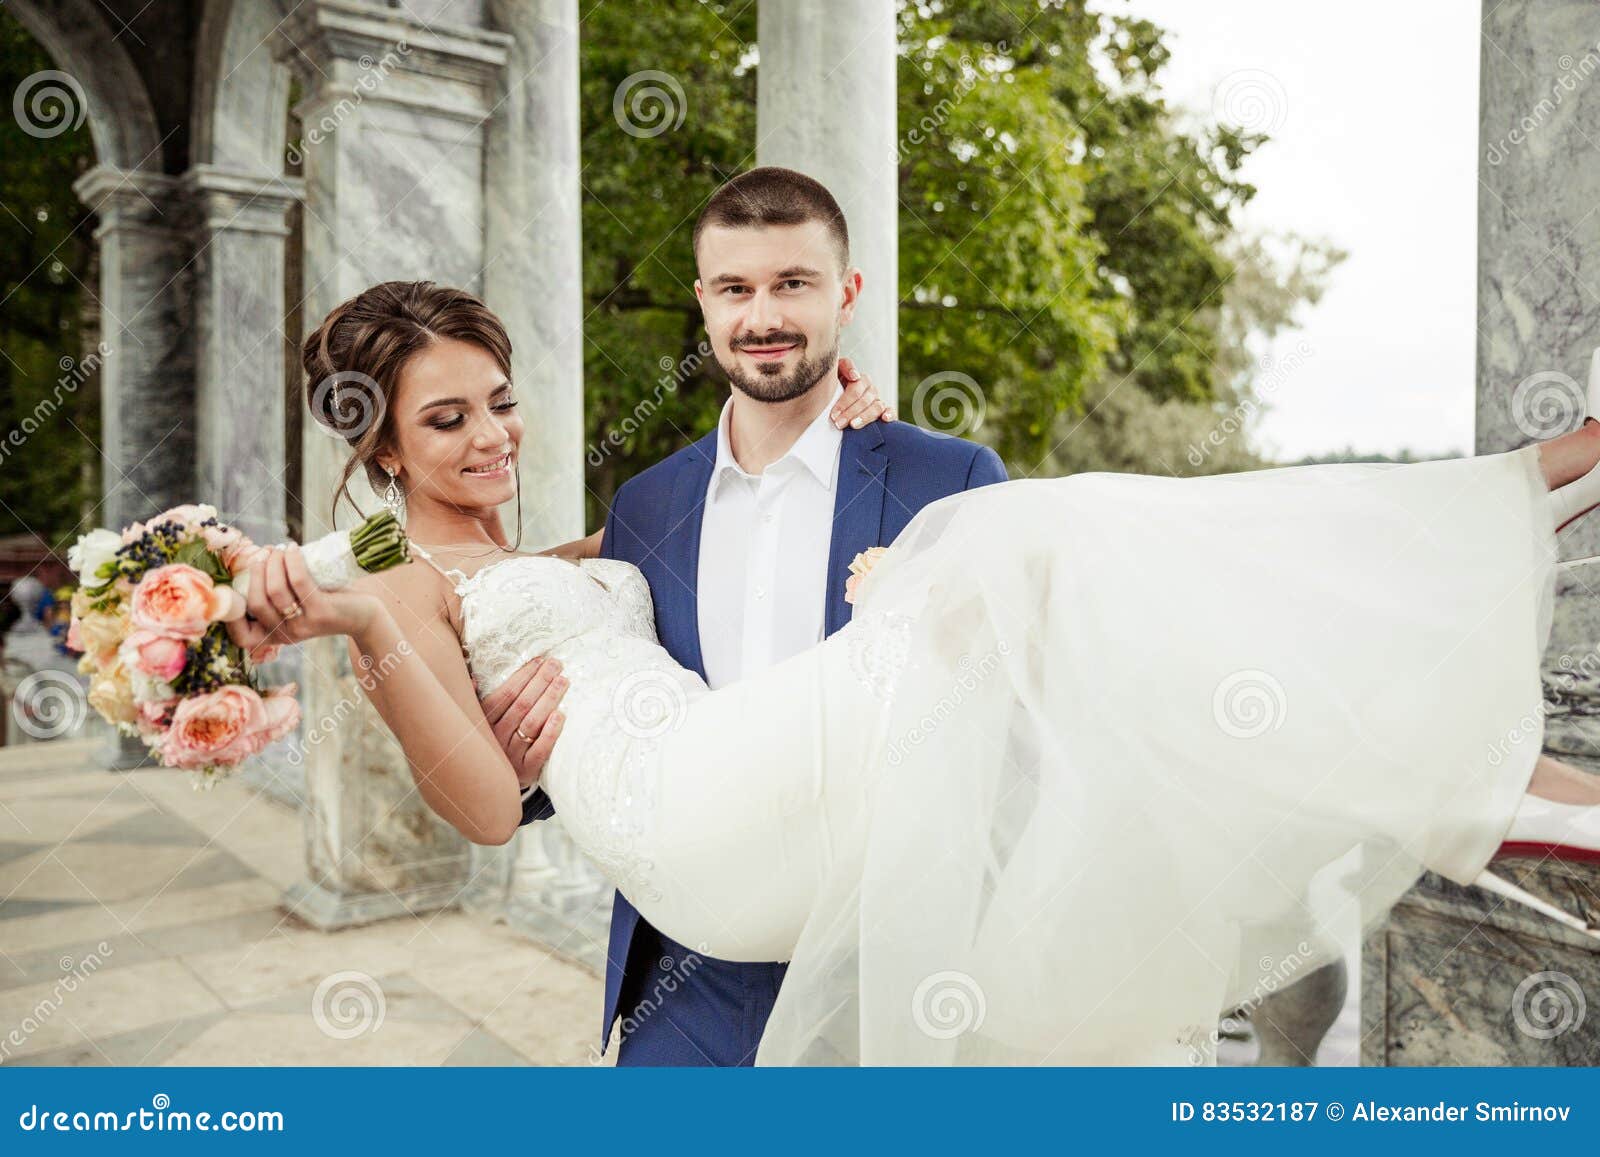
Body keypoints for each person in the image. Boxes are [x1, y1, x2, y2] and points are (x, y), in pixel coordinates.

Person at [230, 278, 1600, 1068]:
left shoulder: (534, 549)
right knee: (1011, 536)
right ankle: (1512, 528)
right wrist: (354, 629)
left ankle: (1462, 761)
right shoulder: (393, 587)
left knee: (1086, 635)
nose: (493, 436)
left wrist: (831, 433)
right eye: (447, 420)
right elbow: (478, 808)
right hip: (695, 821)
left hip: (744, 786)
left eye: (502, 399)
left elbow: (720, 509)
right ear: (387, 448)